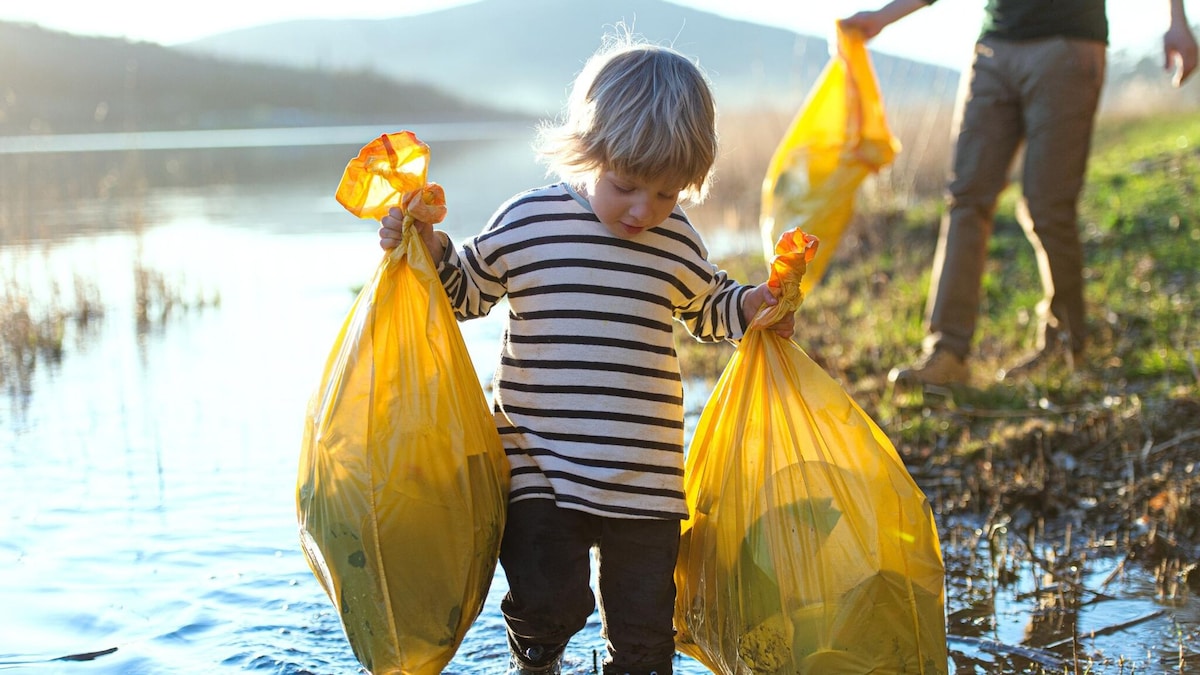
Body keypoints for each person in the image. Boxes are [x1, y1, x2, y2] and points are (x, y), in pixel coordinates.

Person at [377, 31, 795, 675]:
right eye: (626, 184)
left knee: (646, 636)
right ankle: (537, 659)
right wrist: (428, 249)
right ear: (587, 152)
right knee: (549, 603)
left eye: (666, 194)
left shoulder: (675, 240)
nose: (642, 210)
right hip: (539, 462)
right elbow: (465, 293)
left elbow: (711, 307)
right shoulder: (528, 221)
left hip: (646, 478)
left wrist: (757, 304)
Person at [839, 0, 1198, 386]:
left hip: (1067, 44)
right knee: (966, 197)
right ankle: (947, 353)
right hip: (995, 45)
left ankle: (1064, 344)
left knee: (1047, 205)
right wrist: (882, 16)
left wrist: (1177, 19)